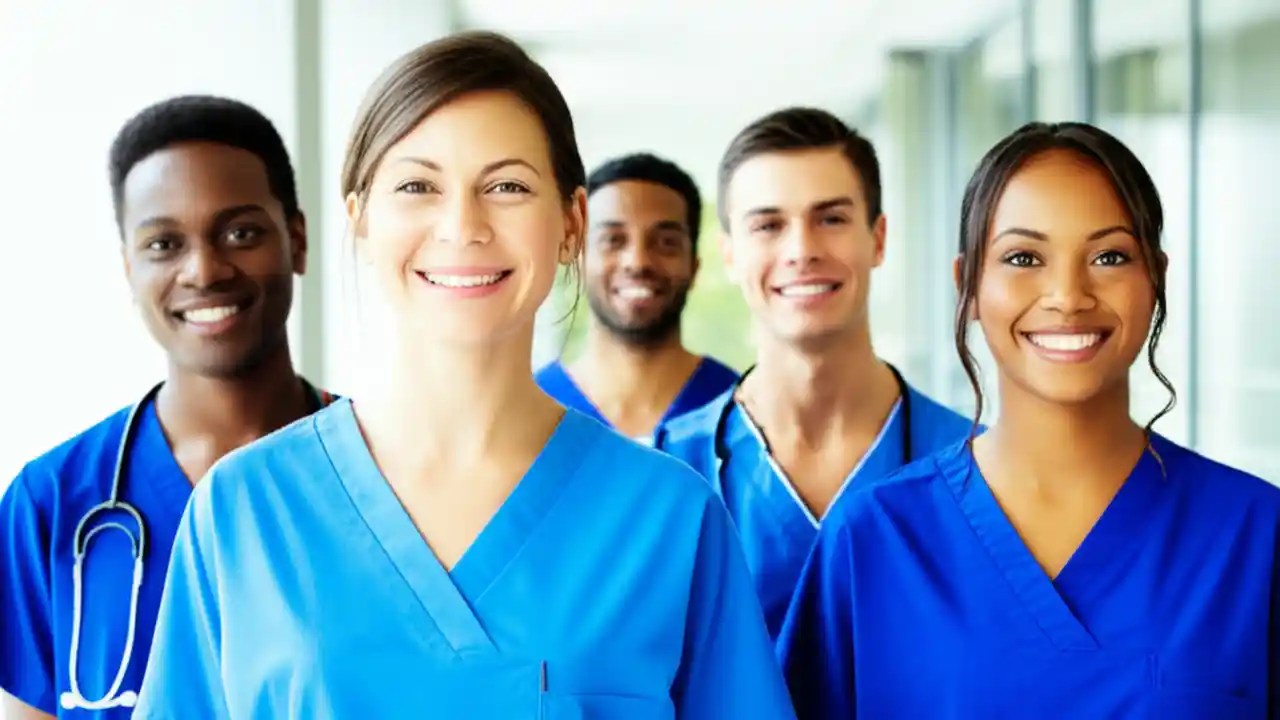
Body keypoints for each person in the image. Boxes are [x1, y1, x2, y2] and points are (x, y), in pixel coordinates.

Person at [133, 32, 794, 720]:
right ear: (361, 220)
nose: (462, 226)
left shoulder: (669, 517)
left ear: (570, 223)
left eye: (507, 186)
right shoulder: (245, 508)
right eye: (417, 186)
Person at [777, 121, 1280, 719]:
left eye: (1110, 257)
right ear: (967, 284)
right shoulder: (875, 539)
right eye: (1024, 258)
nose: (1067, 295)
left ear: (1156, 278)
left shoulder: (1256, 536)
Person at [0, 96, 331, 720]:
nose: (203, 270)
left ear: (297, 239)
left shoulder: (388, 473)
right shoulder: (49, 504)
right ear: (129, 268)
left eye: (241, 233)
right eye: (163, 244)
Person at [657, 107, 971, 639]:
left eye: (831, 219)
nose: (802, 250)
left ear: (878, 238)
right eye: (768, 225)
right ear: (729, 255)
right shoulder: (672, 467)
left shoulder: (973, 466)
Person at [535, 153, 737, 445]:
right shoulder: (526, 412)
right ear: (579, 260)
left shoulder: (740, 413)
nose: (638, 261)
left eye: (666, 242)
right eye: (612, 240)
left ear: (694, 266)